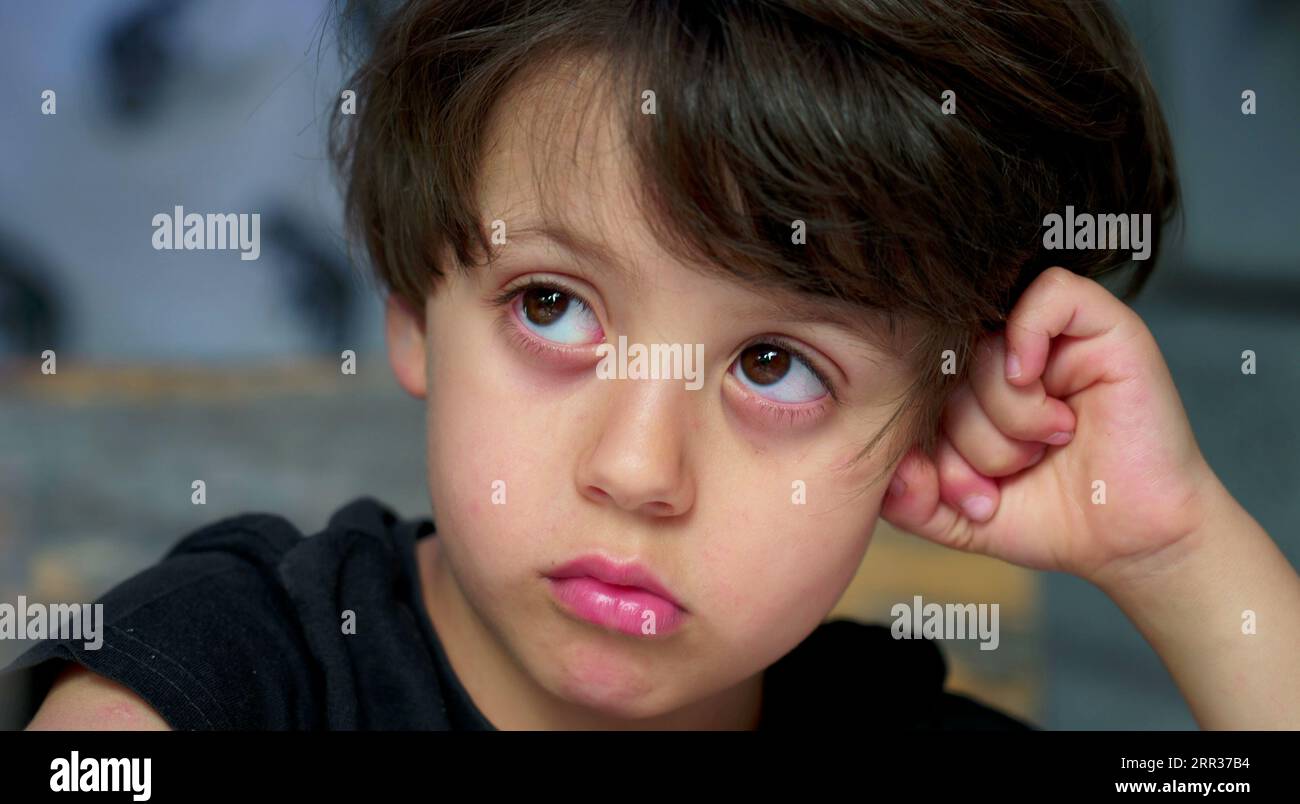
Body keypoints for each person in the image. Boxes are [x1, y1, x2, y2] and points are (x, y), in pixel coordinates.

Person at [6, 0, 1298, 730]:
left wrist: (1175, 551)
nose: (638, 470)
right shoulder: (220, 676)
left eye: (779, 364)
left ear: (929, 420)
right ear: (411, 297)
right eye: (554, 306)